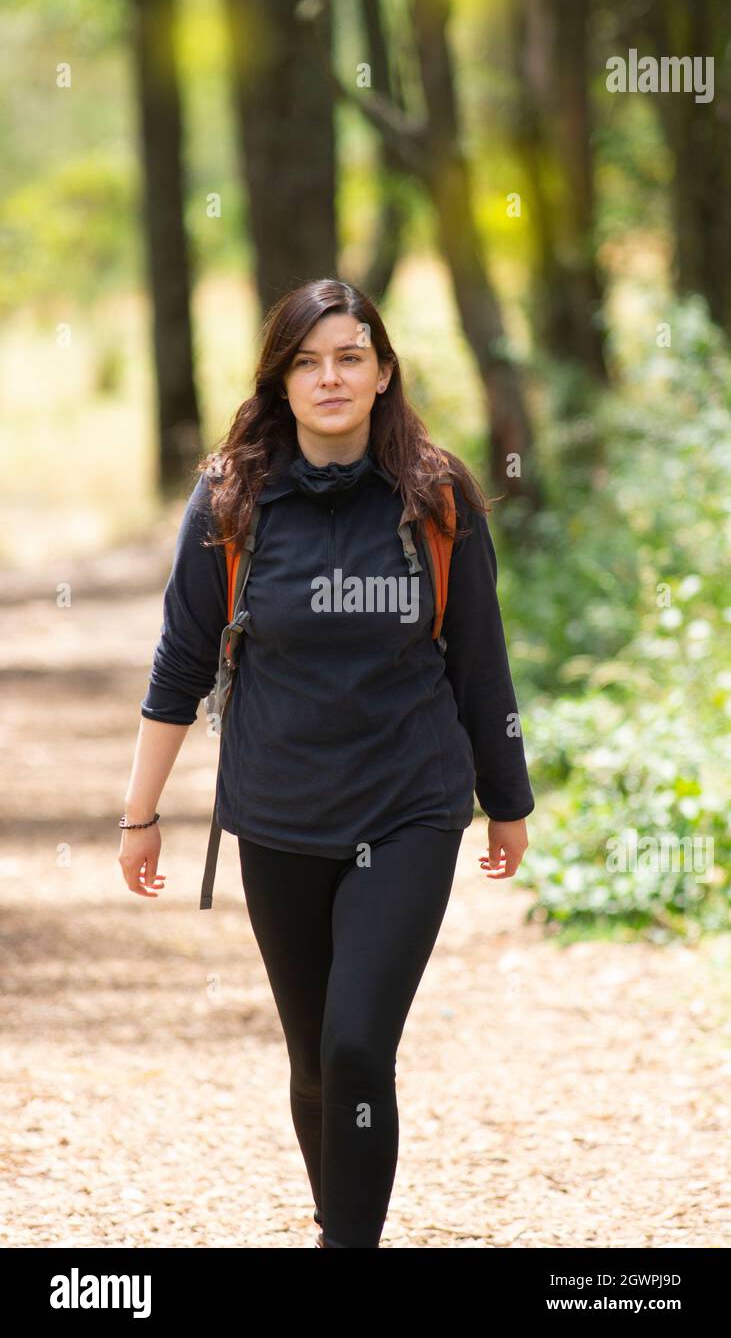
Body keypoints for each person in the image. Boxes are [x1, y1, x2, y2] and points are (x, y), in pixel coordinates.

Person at [119, 278, 535, 1248]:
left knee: (356, 1043)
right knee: (313, 1057)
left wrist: (503, 799)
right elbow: (180, 661)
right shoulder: (231, 501)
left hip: (407, 811)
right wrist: (140, 813)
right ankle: (334, 1214)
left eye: (350, 356)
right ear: (279, 383)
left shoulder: (437, 498)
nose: (330, 376)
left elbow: (479, 659)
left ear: (384, 373)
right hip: (276, 814)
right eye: (306, 361)